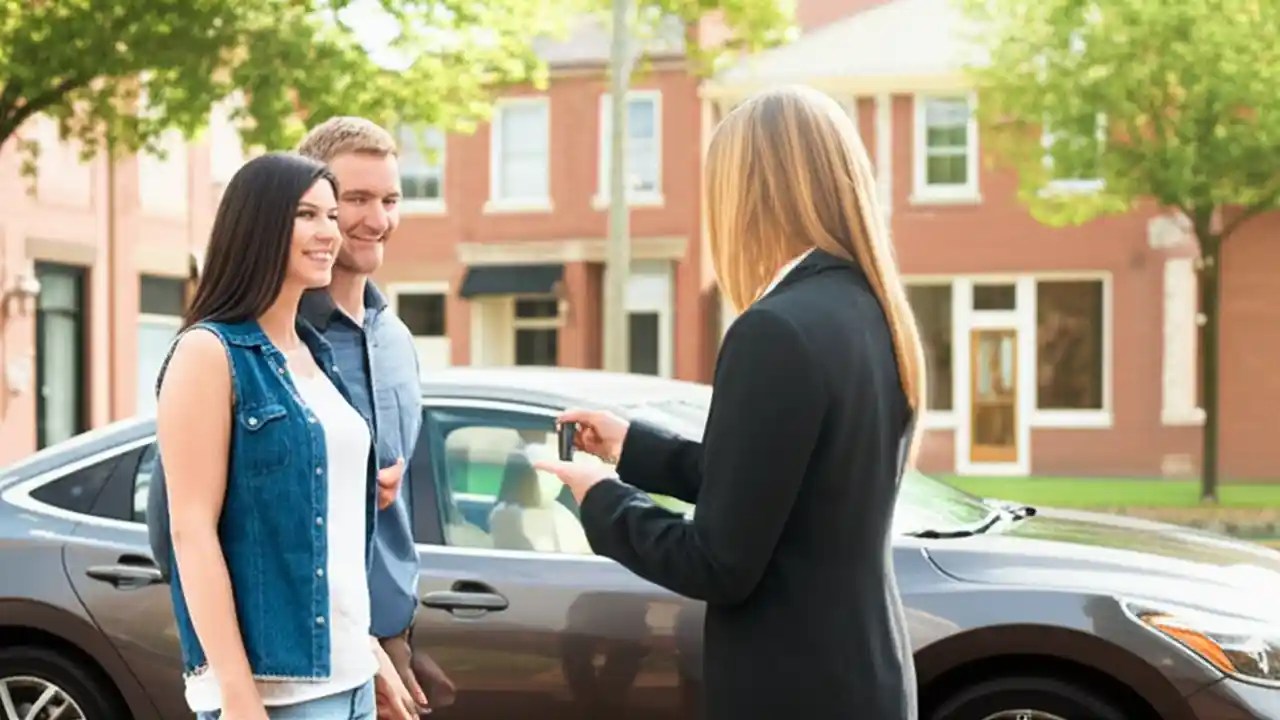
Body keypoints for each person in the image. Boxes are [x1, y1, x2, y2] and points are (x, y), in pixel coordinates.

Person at [534, 84, 927, 720]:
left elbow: (718, 562)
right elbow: (781, 485)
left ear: (748, 192)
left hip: (793, 689)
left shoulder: (775, 330)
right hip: (866, 674)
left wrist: (599, 497)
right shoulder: (870, 313)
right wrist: (634, 448)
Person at [155, 152, 406, 719]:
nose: (329, 232)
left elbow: (328, 529)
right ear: (260, 223)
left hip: (351, 677)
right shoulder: (209, 353)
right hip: (274, 690)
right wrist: (238, 696)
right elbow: (191, 531)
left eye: (331, 215)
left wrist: (364, 648)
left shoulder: (315, 357)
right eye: (306, 215)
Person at [295, 116, 455, 717]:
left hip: (390, 645)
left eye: (390, 199)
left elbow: (396, 509)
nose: (378, 219)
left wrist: (400, 639)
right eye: (356, 199)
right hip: (305, 654)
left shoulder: (398, 341)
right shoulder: (270, 340)